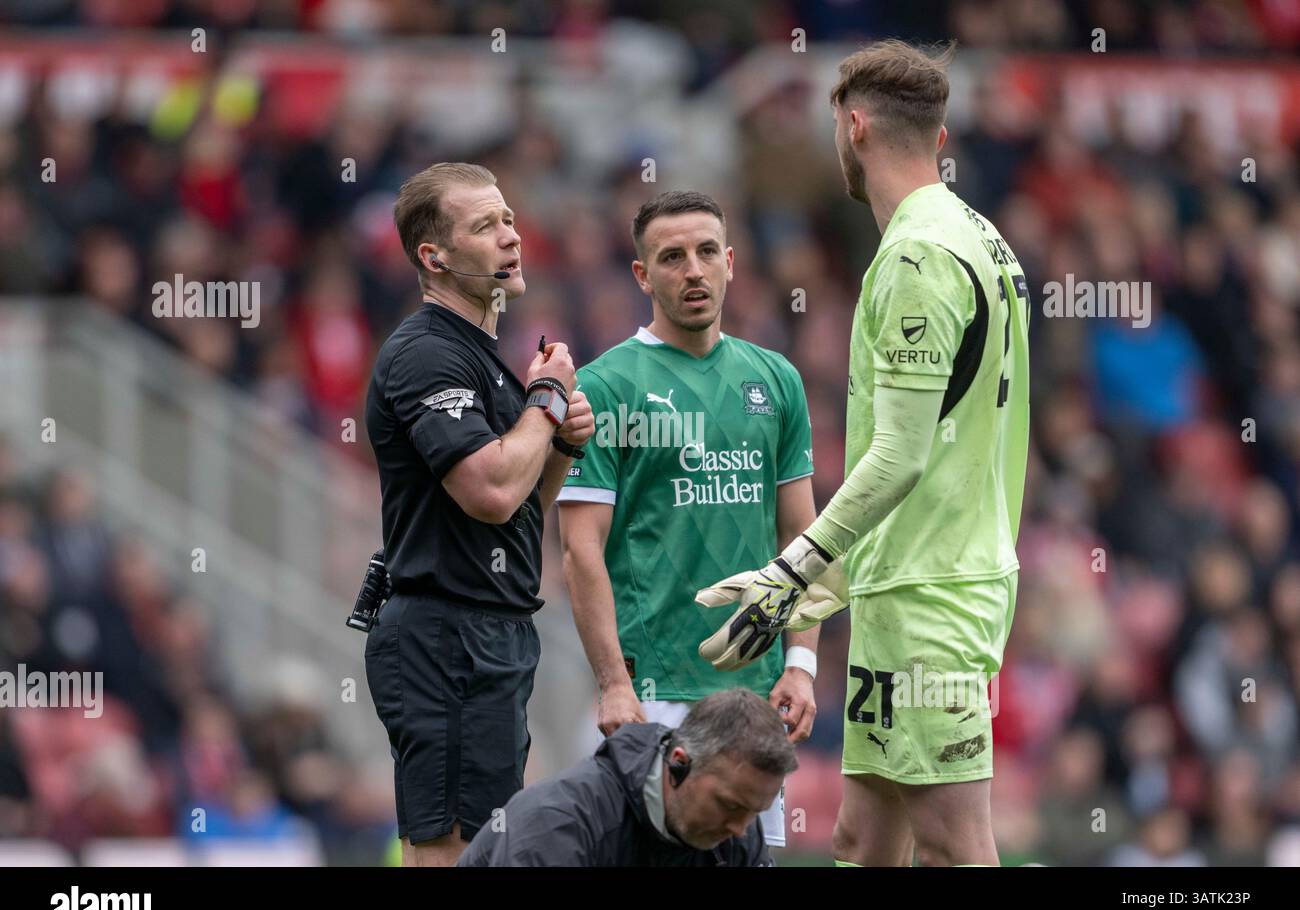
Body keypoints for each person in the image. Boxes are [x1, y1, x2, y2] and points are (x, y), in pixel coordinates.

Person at [696, 40, 1031, 866]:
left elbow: (904, 455)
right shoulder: (982, 238)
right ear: (939, 138)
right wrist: (830, 586)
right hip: (915, 577)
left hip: (933, 597)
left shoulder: (916, 257)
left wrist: (790, 573)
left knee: (955, 844)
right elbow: (955, 449)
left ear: (853, 130)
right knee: (861, 841)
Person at [556, 190, 820, 851]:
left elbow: (805, 537)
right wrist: (613, 683)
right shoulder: (606, 386)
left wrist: (803, 664)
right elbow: (580, 551)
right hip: (653, 696)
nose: (693, 270)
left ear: (730, 262)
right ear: (643, 275)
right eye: (671, 258)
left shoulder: (776, 380)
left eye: (706, 252)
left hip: (756, 697)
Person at [363, 162, 594, 866]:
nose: (510, 237)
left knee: (487, 853)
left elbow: (519, 510)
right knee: (452, 857)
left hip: (488, 634)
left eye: (510, 220)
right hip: (445, 638)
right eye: (485, 226)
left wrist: (558, 447)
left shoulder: (486, 361)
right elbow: (490, 492)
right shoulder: (426, 351)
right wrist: (546, 403)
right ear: (434, 257)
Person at [457, 688, 795, 866]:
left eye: (754, 812)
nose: (740, 829)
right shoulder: (556, 825)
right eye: (730, 806)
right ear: (679, 763)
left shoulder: (736, 838)